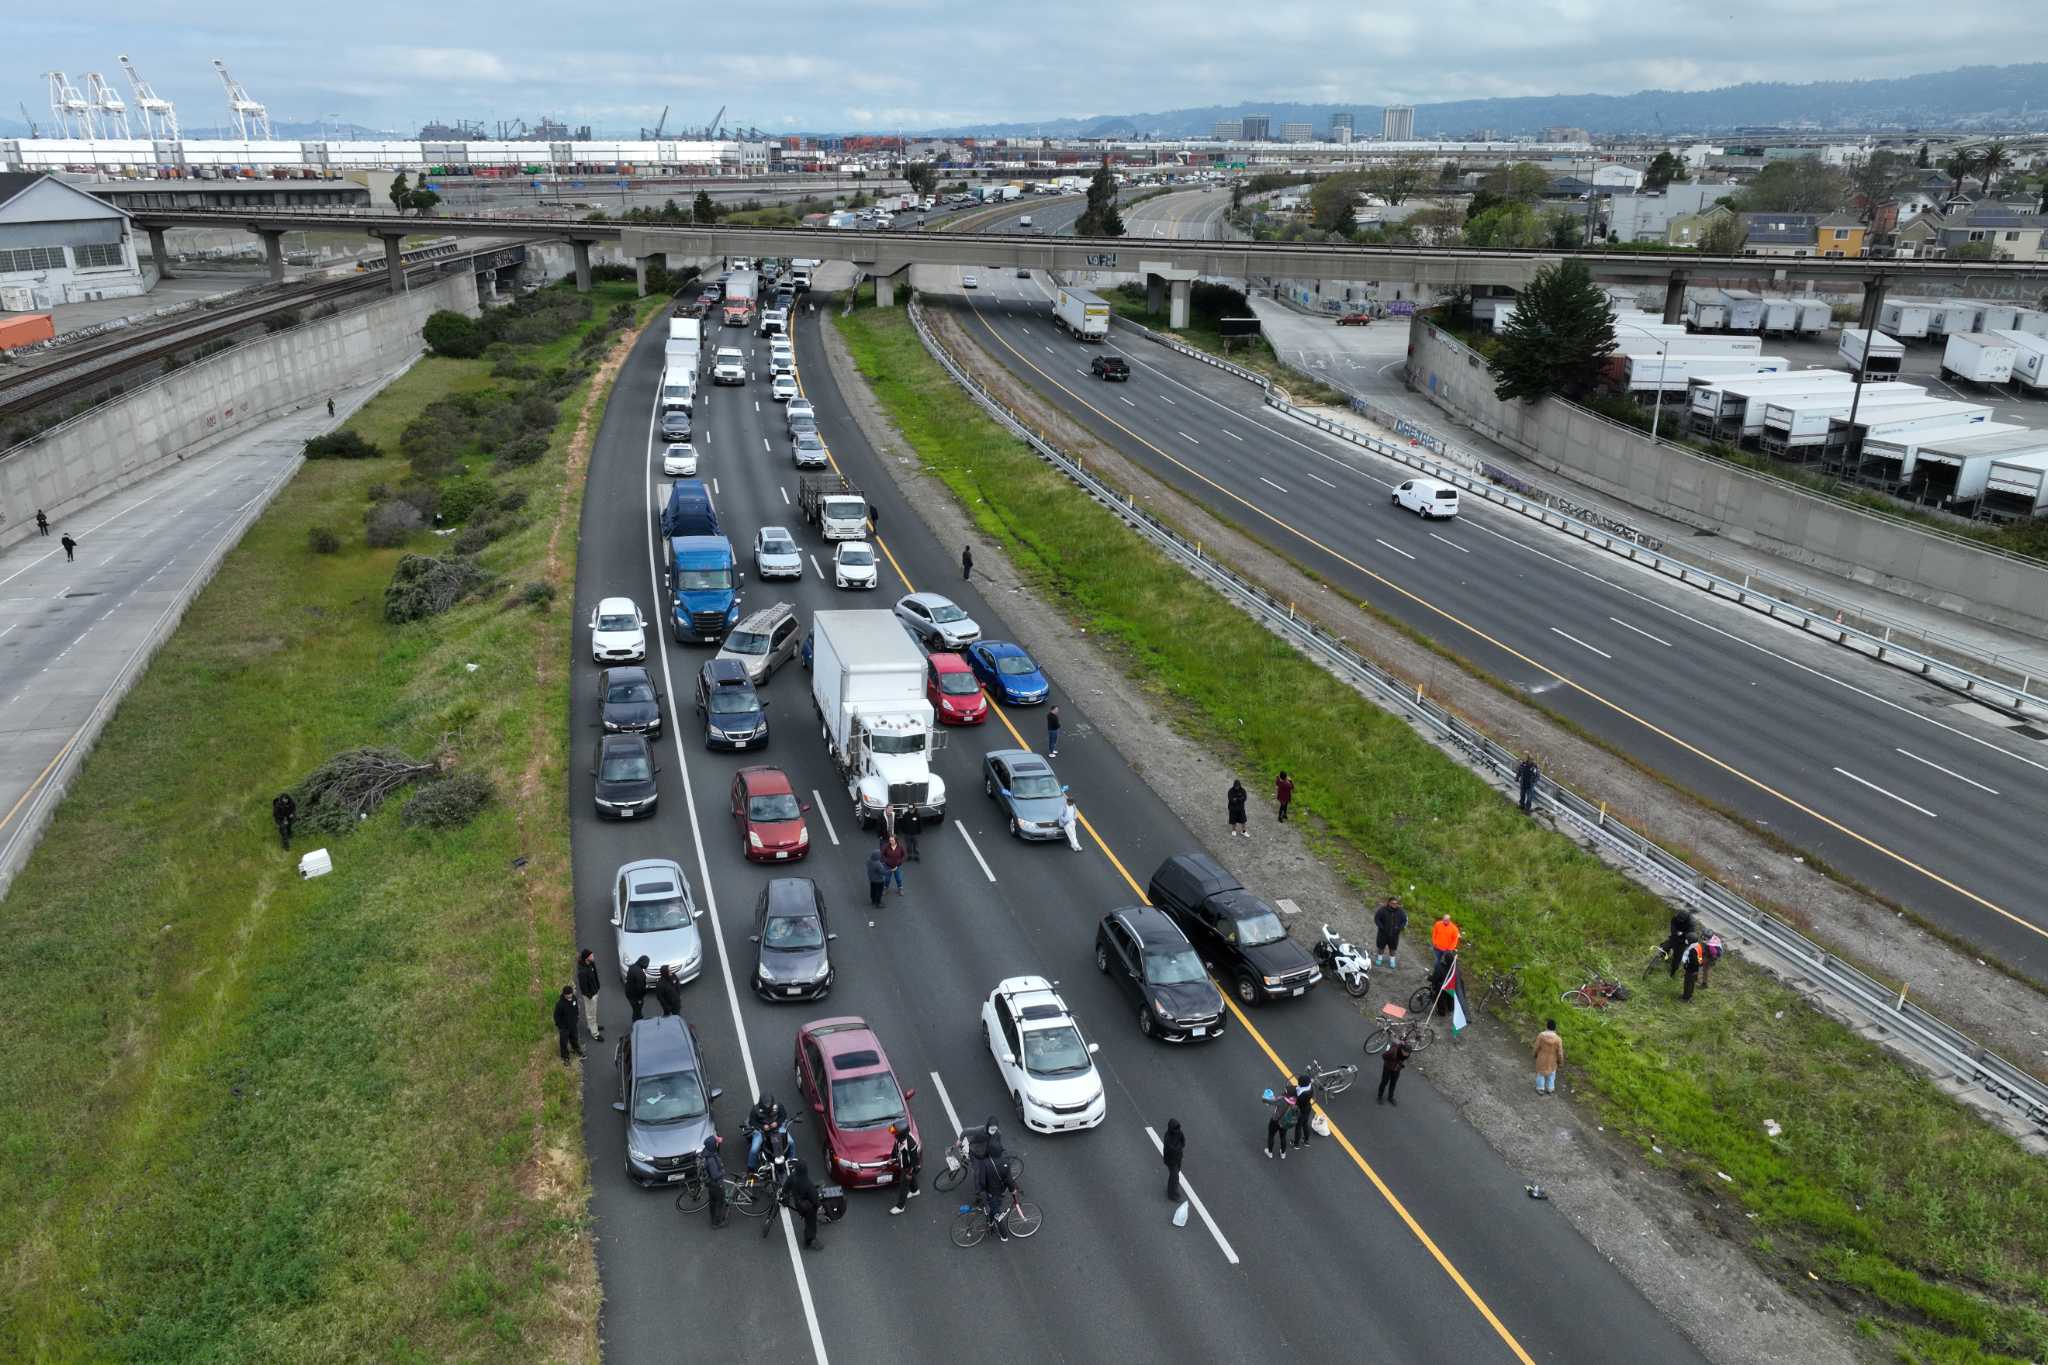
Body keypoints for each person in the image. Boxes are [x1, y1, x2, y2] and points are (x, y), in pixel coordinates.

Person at [782, 1156, 824, 1251]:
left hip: (798, 1203)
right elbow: (814, 1199)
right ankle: (809, 1240)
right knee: (811, 1223)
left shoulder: (793, 1176)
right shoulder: (808, 1184)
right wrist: (819, 1206)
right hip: (807, 1208)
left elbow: (785, 1188)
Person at [747, 1094, 788, 1170]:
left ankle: (789, 1161)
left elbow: (783, 1116)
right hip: (761, 1131)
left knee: (790, 1143)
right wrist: (762, 1126)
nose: (768, 1107)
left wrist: (777, 1123)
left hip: (777, 1128)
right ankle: (751, 1168)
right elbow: (752, 1122)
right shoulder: (755, 1109)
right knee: (754, 1149)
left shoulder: (778, 1106)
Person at [888, 1121, 921, 1214]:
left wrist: (910, 1173)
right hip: (903, 1165)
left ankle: (900, 1206)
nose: (893, 1134)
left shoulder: (910, 1145)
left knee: (903, 1186)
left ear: (901, 1134)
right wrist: (892, 1158)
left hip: (908, 1168)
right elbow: (896, 1148)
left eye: (895, 1133)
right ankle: (915, 1190)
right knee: (909, 1180)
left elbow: (915, 1161)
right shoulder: (900, 1139)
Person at [576, 947, 604, 1043]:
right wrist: (590, 996)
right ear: (586, 958)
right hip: (590, 996)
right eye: (591, 955)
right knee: (591, 1014)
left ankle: (592, 1025)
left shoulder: (591, 963)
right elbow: (583, 987)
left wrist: (598, 986)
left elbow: (595, 975)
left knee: (593, 1011)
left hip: (595, 991)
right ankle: (595, 1033)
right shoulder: (582, 972)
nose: (593, 956)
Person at [701, 1134, 729, 1228]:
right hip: (717, 1185)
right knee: (720, 1203)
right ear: (713, 1145)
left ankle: (713, 1219)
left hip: (711, 1186)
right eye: (716, 1142)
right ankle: (717, 1222)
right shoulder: (711, 1159)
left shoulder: (707, 1153)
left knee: (713, 1202)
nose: (718, 1144)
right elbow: (715, 1175)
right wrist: (723, 1172)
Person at [1373, 895, 1407, 970]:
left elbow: (1404, 920)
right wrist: (1381, 927)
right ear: (1388, 903)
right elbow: (1376, 918)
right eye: (1392, 903)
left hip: (1394, 934)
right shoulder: (1382, 910)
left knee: (1393, 948)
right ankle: (1379, 959)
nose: (1394, 905)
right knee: (1381, 947)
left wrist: (1400, 928)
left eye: (1396, 903)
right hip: (1383, 933)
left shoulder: (1400, 911)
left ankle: (1392, 961)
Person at [1377, 1037, 1412, 1105]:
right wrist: (1391, 1062)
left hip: (1397, 1069)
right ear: (1402, 1049)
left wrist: (1399, 1064)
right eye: (1406, 1053)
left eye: (1408, 1053)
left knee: (1393, 1083)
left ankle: (1390, 1097)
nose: (1407, 1055)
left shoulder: (1407, 1053)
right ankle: (1380, 1096)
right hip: (1388, 1068)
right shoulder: (1393, 1051)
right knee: (1384, 1082)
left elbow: (1402, 1059)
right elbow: (1384, 1056)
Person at [1662, 909, 1697, 976]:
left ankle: (1673, 972)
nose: (1679, 920)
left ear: (1685, 919)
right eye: (1678, 919)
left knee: (1677, 957)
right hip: (1675, 936)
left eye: (1681, 920)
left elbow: (1689, 934)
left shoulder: (1691, 924)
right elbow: (1673, 924)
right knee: (1664, 946)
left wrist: (1682, 936)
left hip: (1683, 941)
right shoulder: (1675, 918)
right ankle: (1662, 957)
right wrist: (1674, 933)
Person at [552, 985, 582, 1062]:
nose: (569, 997)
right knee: (563, 1042)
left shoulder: (574, 998)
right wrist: (560, 1026)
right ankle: (565, 1056)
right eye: (567, 995)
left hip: (573, 1024)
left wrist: (577, 1017)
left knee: (574, 1038)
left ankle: (576, 1049)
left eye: (570, 995)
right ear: (564, 994)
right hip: (564, 1027)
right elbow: (556, 1016)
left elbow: (576, 1008)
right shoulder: (560, 1004)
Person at [1533, 1019, 1563, 1095]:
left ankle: (1540, 1088)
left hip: (1542, 1058)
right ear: (1555, 1028)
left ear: (1546, 1026)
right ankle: (1550, 1088)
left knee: (1540, 1073)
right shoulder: (1558, 1039)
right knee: (1552, 1074)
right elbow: (1560, 1053)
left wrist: (1535, 1054)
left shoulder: (1541, 1036)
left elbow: (1536, 1047)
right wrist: (1560, 1061)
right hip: (1553, 1060)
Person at [1264, 1087, 1292, 1159]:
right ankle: (1283, 1153)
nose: (1284, 1092)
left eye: (1285, 1092)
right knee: (1283, 1137)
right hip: (1285, 1122)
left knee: (1271, 1135)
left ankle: (1269, 1152)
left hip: (1275, 1121)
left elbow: (1269, 1102)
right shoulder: (1294, 1102)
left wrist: (1264, 1098)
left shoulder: (1282, 1100)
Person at [1162, 1118, 1186, 1200]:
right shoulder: (1167, 1136)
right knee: (1175, 1176)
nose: (1177, 1130)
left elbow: (1183, 1142)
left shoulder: (1179, 1133)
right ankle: (1172, 1195)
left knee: (1174, 1175)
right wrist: (1178, 1148)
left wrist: (1179, 1148)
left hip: (1178, 1158)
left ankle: (1170, 1190)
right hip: (1171, 1161)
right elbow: (1170, 1148)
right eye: (1175, 1128)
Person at [1291, 1071, 1316, 1150]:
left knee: (1298, 1127)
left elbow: (1297, 1102)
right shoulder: (1310, 1087)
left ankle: (1296, 1144)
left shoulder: (1302, 1094)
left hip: (1301, 1110)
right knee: (1305, 1124)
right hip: (1307, 1108)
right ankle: (1306, 1141)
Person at [1680, 937, 1708, 1001]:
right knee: (1691, 983)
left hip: (1691, 970)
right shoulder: (1698, 946)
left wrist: (1686, 964)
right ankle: (1689, 996)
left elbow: (1693, 961)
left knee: (1688, 983)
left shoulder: (1693, 950)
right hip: (1695, 969)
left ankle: (1686, 998)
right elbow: (1700, 959)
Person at [625, 955, 651, 1021]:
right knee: (637, 1011)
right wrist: (639, 999)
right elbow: (640, 989)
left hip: (629, 993)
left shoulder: (632, 967)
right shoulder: (640, 974)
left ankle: (638, 1018)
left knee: (635, 1010)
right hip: (636, 997)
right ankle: (637, 1023)